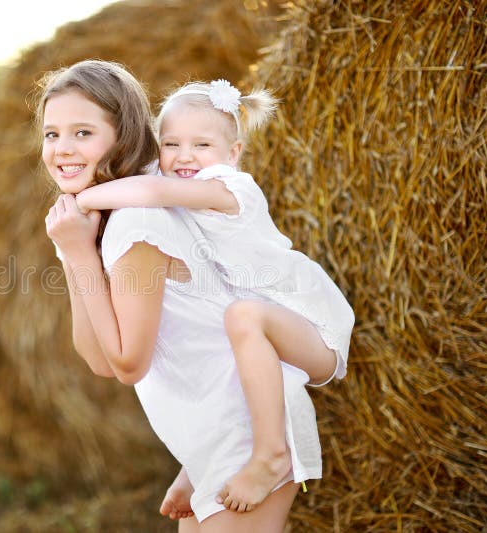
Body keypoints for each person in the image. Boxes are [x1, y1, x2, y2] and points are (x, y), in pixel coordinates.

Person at [40, 60, 323, 531]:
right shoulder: (104, 221)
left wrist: (81, 256)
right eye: (52, 134)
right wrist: (74, 253)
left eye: (83, 133)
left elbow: (129, 364)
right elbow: (98, 360)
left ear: (124, 137)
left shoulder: (139, 223)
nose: (62, 149)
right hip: (206, 443)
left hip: (246, 434)